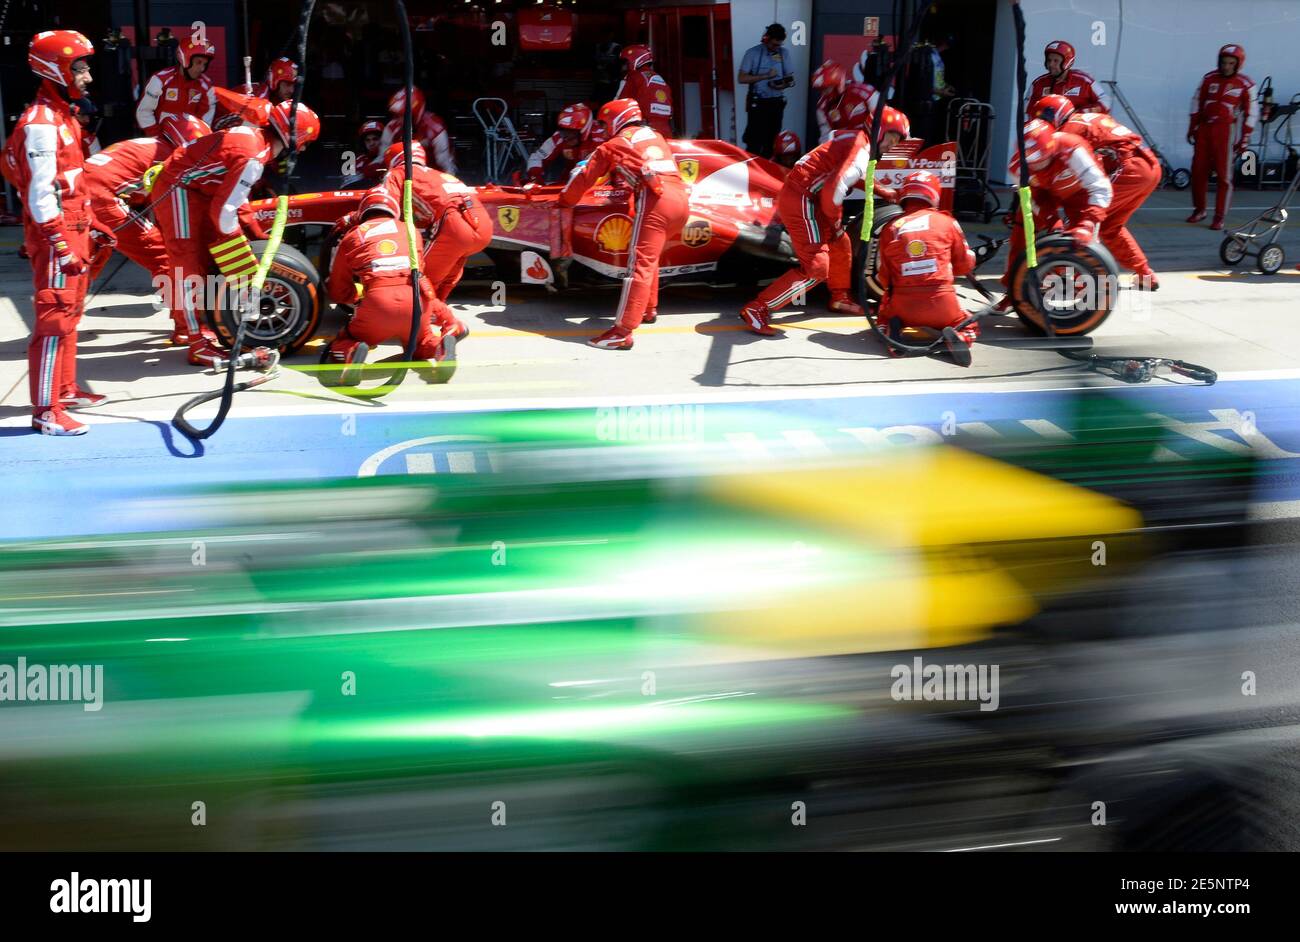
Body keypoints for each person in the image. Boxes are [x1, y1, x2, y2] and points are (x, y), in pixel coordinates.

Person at [151, 101, 320, 366]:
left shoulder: (256, 140)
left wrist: (256, 236)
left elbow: (235, 200)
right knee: (187, 263)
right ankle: (195, 342)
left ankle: (195, 328)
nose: (304, 149)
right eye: (305, 143)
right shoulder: (253, 156)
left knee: (210, 260)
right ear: (295, 138)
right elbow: (224, 213)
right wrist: (242, 260)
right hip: (177, 187)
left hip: (199, 187)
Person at [3, 30, 104, 434]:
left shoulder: (64, 116)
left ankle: (65, 389)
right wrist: (61, 244)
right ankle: (45, 410)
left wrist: (92, 222)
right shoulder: (41, 124)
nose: (87, 76)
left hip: (75, 226)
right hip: (55, 234)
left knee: (71, 313)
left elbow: (72, 182)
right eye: (79, 68)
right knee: (53, 320)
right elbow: (40, 195)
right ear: (54, 69)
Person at [737, 106, 912, 335]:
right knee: (817, 268)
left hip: (806, 195)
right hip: (803, 198)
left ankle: (840, 298)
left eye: (897, 141)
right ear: (878, 130)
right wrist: (836, 224)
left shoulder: (857, 139)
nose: (892, 145)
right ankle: (758, 308)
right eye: (891, 138)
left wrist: (882, 191)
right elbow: (833, 192)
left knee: (841, 243)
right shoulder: (860, 150)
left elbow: (846, 175)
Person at [558, 98, 689, 350]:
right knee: (651, 260)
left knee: (639, 264)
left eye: (604, 123)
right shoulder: (656, 136)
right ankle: (648, 309)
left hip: (656, 201)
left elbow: (584, 178)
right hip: (681, 200)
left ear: (616, 120)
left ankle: (622, 332)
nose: (603, 128)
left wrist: (564, 201)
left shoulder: (616, 143)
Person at [322, 187, 455, 385]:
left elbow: (338, 290)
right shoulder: (411, 231)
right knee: (419, 343)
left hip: (378, 304)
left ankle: (352, 350)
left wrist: (357, 298)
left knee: (343, 340)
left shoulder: (352, 236)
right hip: (417, 301)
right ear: (394, 210)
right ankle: (439, 348)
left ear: (363, 211)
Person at [1033, 94, 1160, 289]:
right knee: (1110, 227)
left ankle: (1074, 277)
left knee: (1082, 220)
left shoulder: (1068, 131)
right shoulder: (1085, 118)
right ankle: (1145, 274)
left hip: (1129, 168)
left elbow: (1065, 174)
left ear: (1054, 115)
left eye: (1043, 118)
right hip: (1148, 167)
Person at [83, 113, 211, 285]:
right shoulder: (170, 160)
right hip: (101, 197)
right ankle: (182, 302)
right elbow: (168, 210)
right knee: (163, 256)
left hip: (81, 194)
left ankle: (72, 297)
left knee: (90, 257)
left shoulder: (146, 145)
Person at [380, 141, 486, 339]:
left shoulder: (398, 173)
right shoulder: (442, 174)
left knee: (417, 281)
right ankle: (438, 314)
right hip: (482, 223)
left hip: (454, 226)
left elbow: (387, 209)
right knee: (444, 281)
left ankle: (438, 327)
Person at [875, 170, 978, 367]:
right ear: (934, 194)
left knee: (884, 313)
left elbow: (884, 277)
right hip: (942, 302)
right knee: (968, 322)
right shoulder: (947, 222)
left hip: (903, 305)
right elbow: (964, 265)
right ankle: (961, 336)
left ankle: (890, 333)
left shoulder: (891, 227)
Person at [1002, 119, 1112, 297]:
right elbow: (1030, 199)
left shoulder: (1073, 149)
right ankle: (1014, 292)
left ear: (1052, 148)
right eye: (1032, 162)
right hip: (1045, 194)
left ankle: (1087, 292)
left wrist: (1088, 223)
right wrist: (1051, 219)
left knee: (1083, 242)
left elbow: (1101, 187)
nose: (1037, 166)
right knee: (1021, 234)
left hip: (1079, 193)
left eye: (1042, 161)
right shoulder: (1017, 168)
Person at [1187, 44, 1257, 230]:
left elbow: (1252, 113)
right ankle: (1199, 210)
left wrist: (1245, 138)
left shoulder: (1246, 84)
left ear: (1238, 64)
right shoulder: (1208, 78)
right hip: (1205, 129)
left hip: (1226, 131)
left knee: (1224, 176)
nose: (1226, 66)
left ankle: (1219, 216)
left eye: (1231, 63)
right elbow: (1196, 102)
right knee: (1198, 172)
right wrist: (1192, 127)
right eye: (1224, 62)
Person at [136, 36, 217, 133]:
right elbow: (144, 111)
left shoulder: (206, 86)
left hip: (192, 139)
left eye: (205, 64)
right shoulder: (160, 80)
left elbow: (205, 122)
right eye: (198, 62)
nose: (202, 68)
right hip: (160, 137)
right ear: (184, 58)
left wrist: (198, 138)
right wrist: (156, 135)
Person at [739, 24, 794, 158]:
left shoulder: (783, 53)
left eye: (779, 45)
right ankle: (752, 167)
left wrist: (781, 85)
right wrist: (765, 76)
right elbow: (741, 78)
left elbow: (790, 79)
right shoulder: (752, 53)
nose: (776, 48)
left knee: (773, 141)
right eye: (774, 45)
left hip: (776, 102)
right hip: (758, 103)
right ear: (766, 39)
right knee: (754, 142)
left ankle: (770, 167)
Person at [370, 87, 454, 175]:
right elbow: (382, 158)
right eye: (396, 115)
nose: (398, 119)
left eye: (402, 115)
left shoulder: (435, 129)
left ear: (415, 113)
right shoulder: (391, 128)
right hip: (402, 173)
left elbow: (445, 164)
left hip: (433, 173)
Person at [1027, 40, 1109, 115]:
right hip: (1047, 126)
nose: (1051, 64)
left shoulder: (1085, 81)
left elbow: (1105, 102)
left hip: (1077, 125)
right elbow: (1025, 111)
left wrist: (1080, 113)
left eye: (1056, 61)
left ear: (1067, 62)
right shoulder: (1037, 84)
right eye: (1049, 60)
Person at [526, 103, 596, 182]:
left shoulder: (600, 136)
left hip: (596, 179)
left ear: (584, 130)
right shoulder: (559, 136)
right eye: (564, 130)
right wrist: (535, 178)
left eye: (571, 132)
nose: (566, 137)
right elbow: (537, 157)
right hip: (571, 177)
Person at [615, 45, 673, 137]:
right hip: (666, 131)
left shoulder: (633, 77)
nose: (623, 67)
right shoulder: (661, 80)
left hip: (642, 131)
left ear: (634, 59)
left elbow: (619, 105)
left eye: (625, 62)